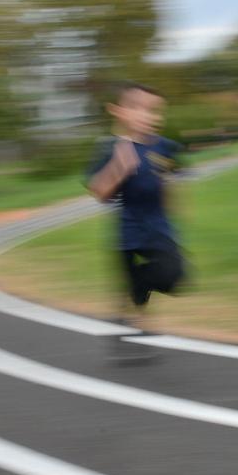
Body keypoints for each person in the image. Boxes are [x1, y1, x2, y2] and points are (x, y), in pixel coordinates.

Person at [86, 82, 186, 340]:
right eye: (137, 108)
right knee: (139, 309)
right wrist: (119, 167)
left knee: (175, 277)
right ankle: (135, 321)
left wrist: (174, 201)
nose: (148, 116)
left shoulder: (165, 146)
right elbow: (99, 192)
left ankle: (133, 289)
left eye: (154, 110)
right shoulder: (110, 148)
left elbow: (170, 176)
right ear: (117, 111)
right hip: (128, 233)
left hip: (159, 227)